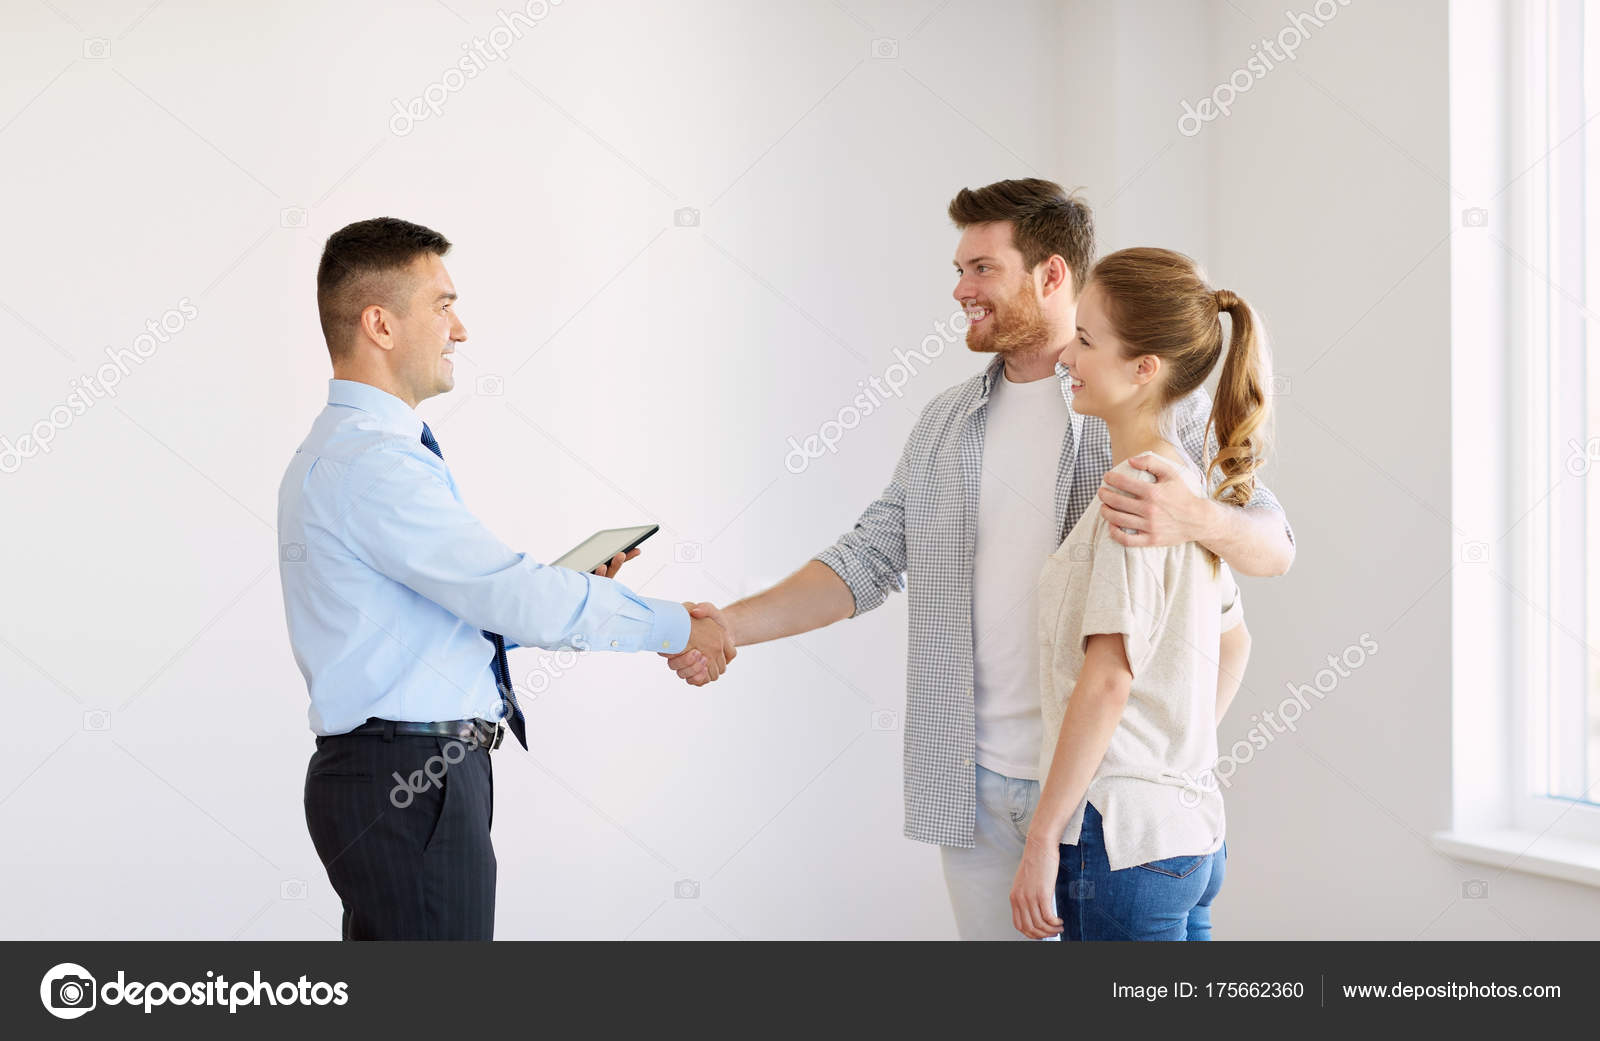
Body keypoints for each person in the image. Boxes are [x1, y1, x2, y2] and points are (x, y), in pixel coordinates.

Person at [662, 181, 1294, 939]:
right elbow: (868, 557)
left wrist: (1157, 764)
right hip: (977, 790)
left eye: (983, 268)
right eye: (960, 269)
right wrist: (726, 626)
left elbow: (1272, 545)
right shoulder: (944, 424)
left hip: (1099, 803)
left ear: (1051, 275)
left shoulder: (1148, 408)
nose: (961, 289)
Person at [279, 217, 735, 940]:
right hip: (410, 778)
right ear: (380, 324)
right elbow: (514, 596)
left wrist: (558, 593)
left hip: (403, 773)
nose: (459, 330)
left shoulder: (355, 451)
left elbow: (446, 618)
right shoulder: (373, 461)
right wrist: (678, 626)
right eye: (443, 306)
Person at [1009, 247, 1262, 941]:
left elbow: (1108, 679)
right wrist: (1169, 755)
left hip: (1115, 842)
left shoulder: (1133, 498)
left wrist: (1042, 838)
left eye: (1086, 341)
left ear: (1144, 368)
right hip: (1189, 838)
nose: (1067, 357)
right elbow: (1236, 643)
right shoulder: (1185, 491)